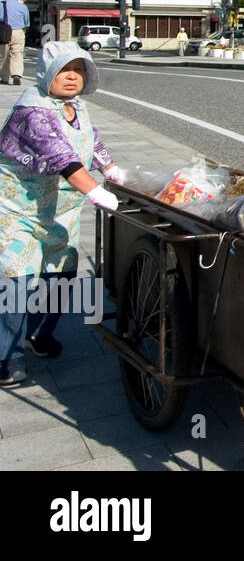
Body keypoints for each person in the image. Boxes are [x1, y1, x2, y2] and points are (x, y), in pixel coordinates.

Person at [1, 42, 122, 387]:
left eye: (80, 70)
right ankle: (7, 357)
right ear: (46, 73)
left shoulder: (75, 107)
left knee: (60, 273)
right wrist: (96, 191)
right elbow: (60, 157)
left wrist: (111, 169)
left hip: (60, 210)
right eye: (64, 69)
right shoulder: (32, 111)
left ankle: (39, 334)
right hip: (18, 211)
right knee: (16, 281)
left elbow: (89, 140)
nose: (72, 77)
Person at [1, 0, 32, 86]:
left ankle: (4, 77)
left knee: (4, 55)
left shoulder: (2, 5)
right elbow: (26, 22)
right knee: (17, 54)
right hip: (19, 31)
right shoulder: (23, 7)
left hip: (4, 31)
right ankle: (17, 75)